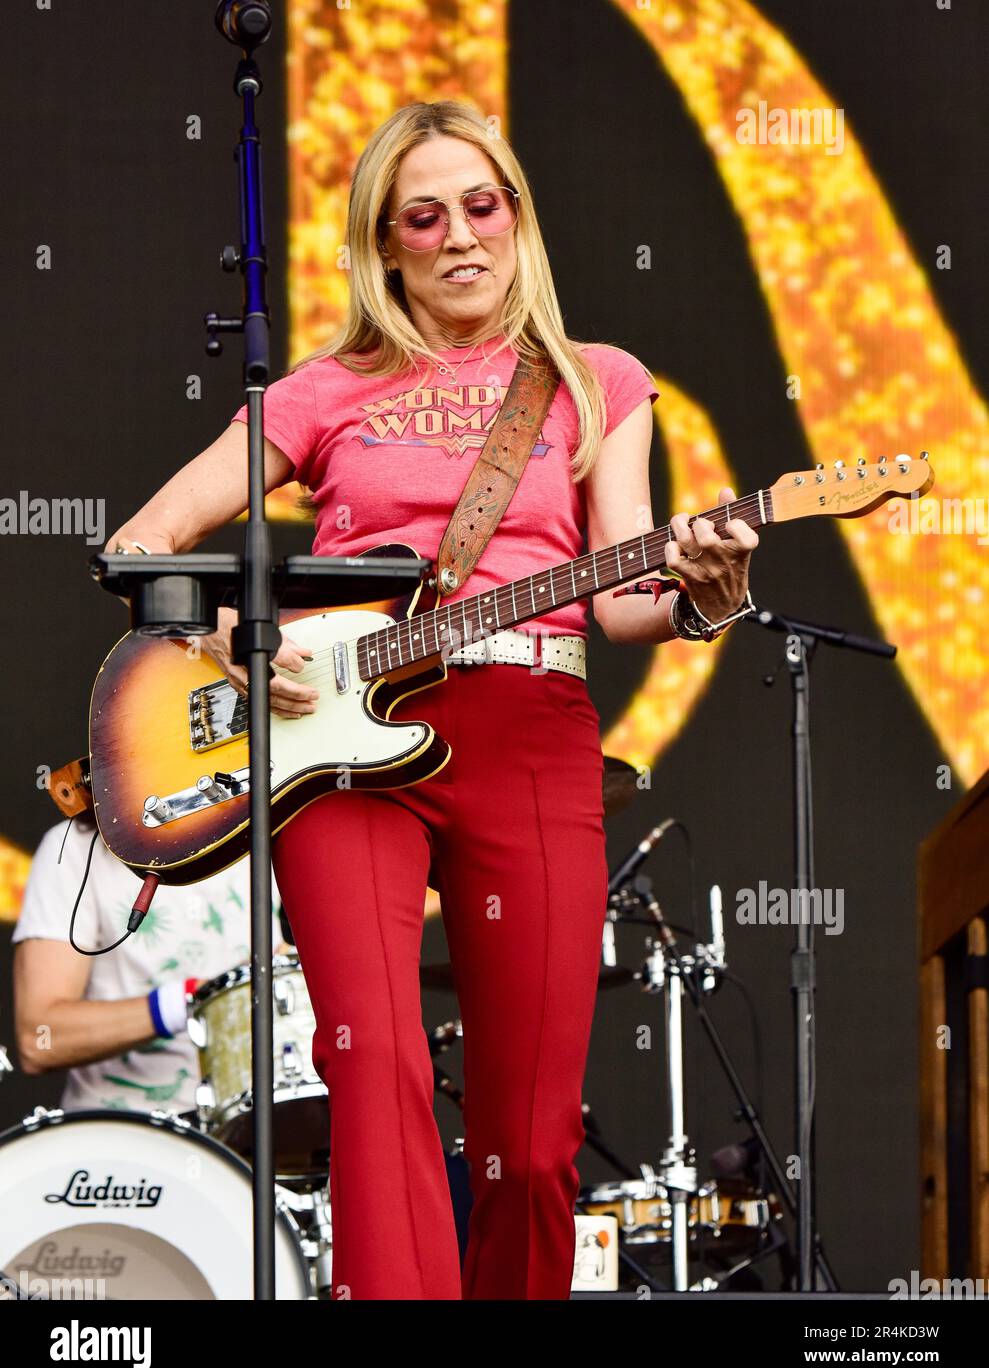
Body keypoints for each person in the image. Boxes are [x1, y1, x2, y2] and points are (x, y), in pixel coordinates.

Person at [104, 99, 757, 1300]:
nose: (459, 234)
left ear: (515, 217)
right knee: (376, 1073)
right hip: (338, 739)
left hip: (529, 730)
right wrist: (243, 645)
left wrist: (706, 595)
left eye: (481, 204)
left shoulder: (596, 379)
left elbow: (623, 601)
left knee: (533, 1129)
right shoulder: (319, 390)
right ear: (382, 244)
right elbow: (145, 542)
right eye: (423, 215)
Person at [13, 815, 283, 1116]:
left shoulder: (268, 825)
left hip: (260, 1128)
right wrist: (197, 999)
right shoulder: (73, 845)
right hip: (128, 1140)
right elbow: (39, 1039)